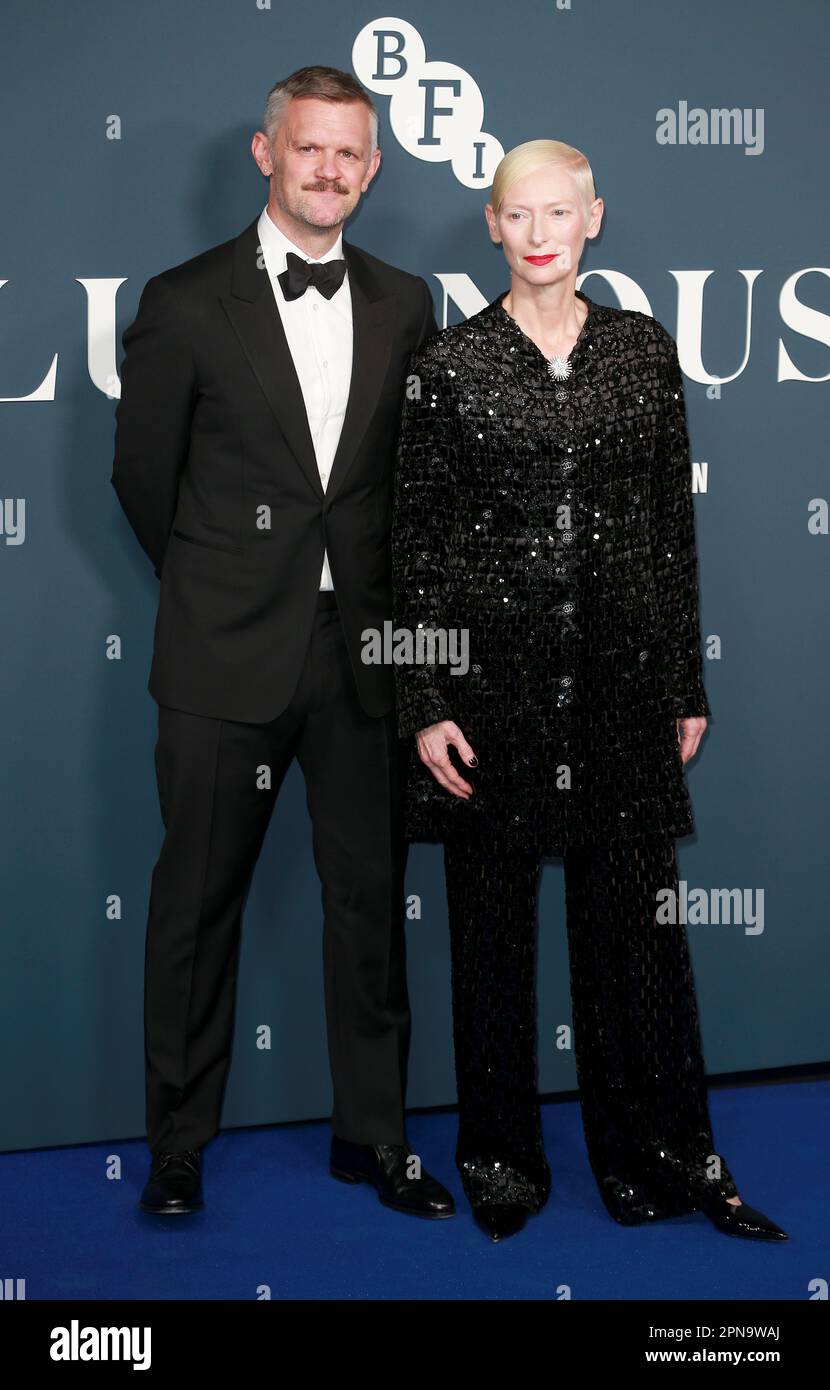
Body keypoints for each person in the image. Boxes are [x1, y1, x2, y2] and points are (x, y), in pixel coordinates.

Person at [390, 138, 788, 1244]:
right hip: (489, 692)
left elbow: (669, 528)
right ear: (490, 224)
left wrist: (680, 679)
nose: (537, 231)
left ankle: (658, 1156)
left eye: (557, 210)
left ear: (592, 218)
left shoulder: (641, 351)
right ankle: (501, 1161)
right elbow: (411, 546)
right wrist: (425, 699)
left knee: (637, 938)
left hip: (619, 686)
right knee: (491, 934)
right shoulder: (446, 365)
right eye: (516, 213)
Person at [111, 65, 453, 1222]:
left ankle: (375, 1138)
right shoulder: (184, 298)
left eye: (348, 153)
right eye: (307, 148)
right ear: (267, 153)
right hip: (220, 655)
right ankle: (177, 1146)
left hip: (362, 655)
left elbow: (409, 490)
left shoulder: (407, 302)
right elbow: (141, 479)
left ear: (371, 167)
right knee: (194, 907)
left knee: (370, 905)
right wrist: (224, 585)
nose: (327, 170)